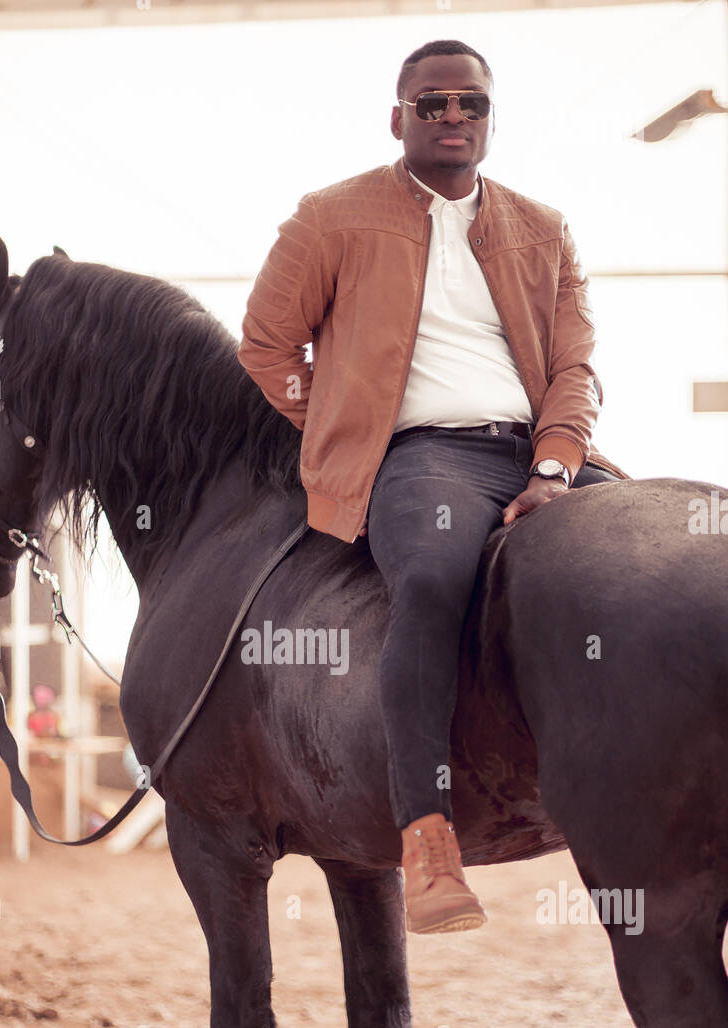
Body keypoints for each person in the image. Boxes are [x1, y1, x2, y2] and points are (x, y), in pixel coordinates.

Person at [238, 38, 629, 935]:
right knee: (427, 586)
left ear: (491, 119)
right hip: (422, 459)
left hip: (539, 450)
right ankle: (427, 838)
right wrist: (342, 426)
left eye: (471, 105)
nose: (453, 117)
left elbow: (575, 367)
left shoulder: (545, 226)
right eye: (433, 104)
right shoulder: (331, 217)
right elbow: (265, 346)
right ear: (398, 117)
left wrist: (556, 465)